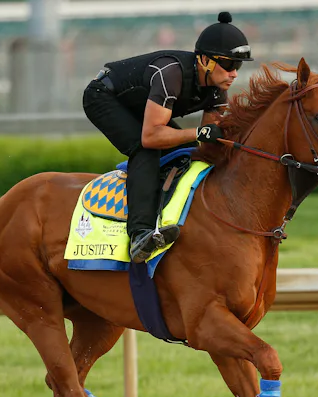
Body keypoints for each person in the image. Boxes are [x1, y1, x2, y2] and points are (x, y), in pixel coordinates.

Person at [82, 12, 253, 263]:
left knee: (187, 150)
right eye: (228, 65)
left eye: (238, 66)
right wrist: (197, 133)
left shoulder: (217, 92)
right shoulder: (170, 73)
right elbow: (151, 136)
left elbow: (208, 145)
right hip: (104, 97)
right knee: (146, 149)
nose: (234, 73)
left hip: (142, 106)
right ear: (204, 60)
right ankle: (140, 235)